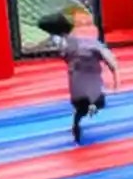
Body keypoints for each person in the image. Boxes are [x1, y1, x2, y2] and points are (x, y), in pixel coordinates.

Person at [36, 10, 120, 143]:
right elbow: (111, 62)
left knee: (84, 103)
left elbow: (110, 62)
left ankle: (80, 119)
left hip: (79, 79)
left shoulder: (67, 43)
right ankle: (82, 116)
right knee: (93, 102)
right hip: (84, 78)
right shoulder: (86, 44)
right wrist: (116, 81)